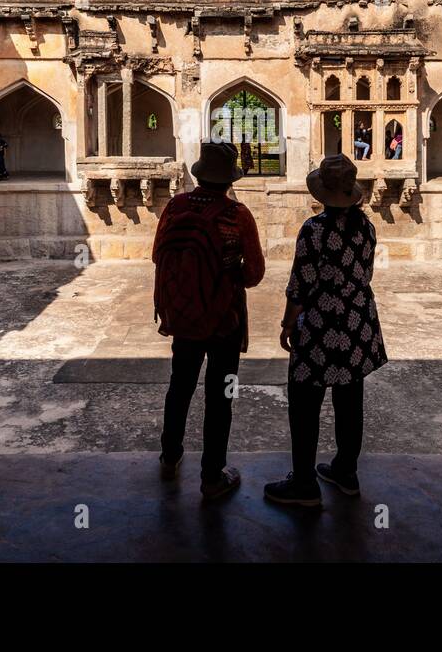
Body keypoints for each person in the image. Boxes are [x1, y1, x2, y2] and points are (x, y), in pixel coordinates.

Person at [265, 154, 387, 507]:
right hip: (358, 321)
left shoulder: (314, 230)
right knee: (350, 400)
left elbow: (300, 285)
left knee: (305, 402)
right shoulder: (366, 227)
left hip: (320, 323)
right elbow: (363, 273)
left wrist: (288, 324)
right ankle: (345, 471)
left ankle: (304, 483)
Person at [153, 141, 265, 500]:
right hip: (224, 321)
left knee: (180, 385)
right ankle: (212, 477)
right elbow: (254, 274)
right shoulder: (237, 214)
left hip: (184, 317)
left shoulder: (176, 206)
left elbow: (158, 255)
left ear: (200, 175)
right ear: (230, 177)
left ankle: (170, 456)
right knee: (221, 396)